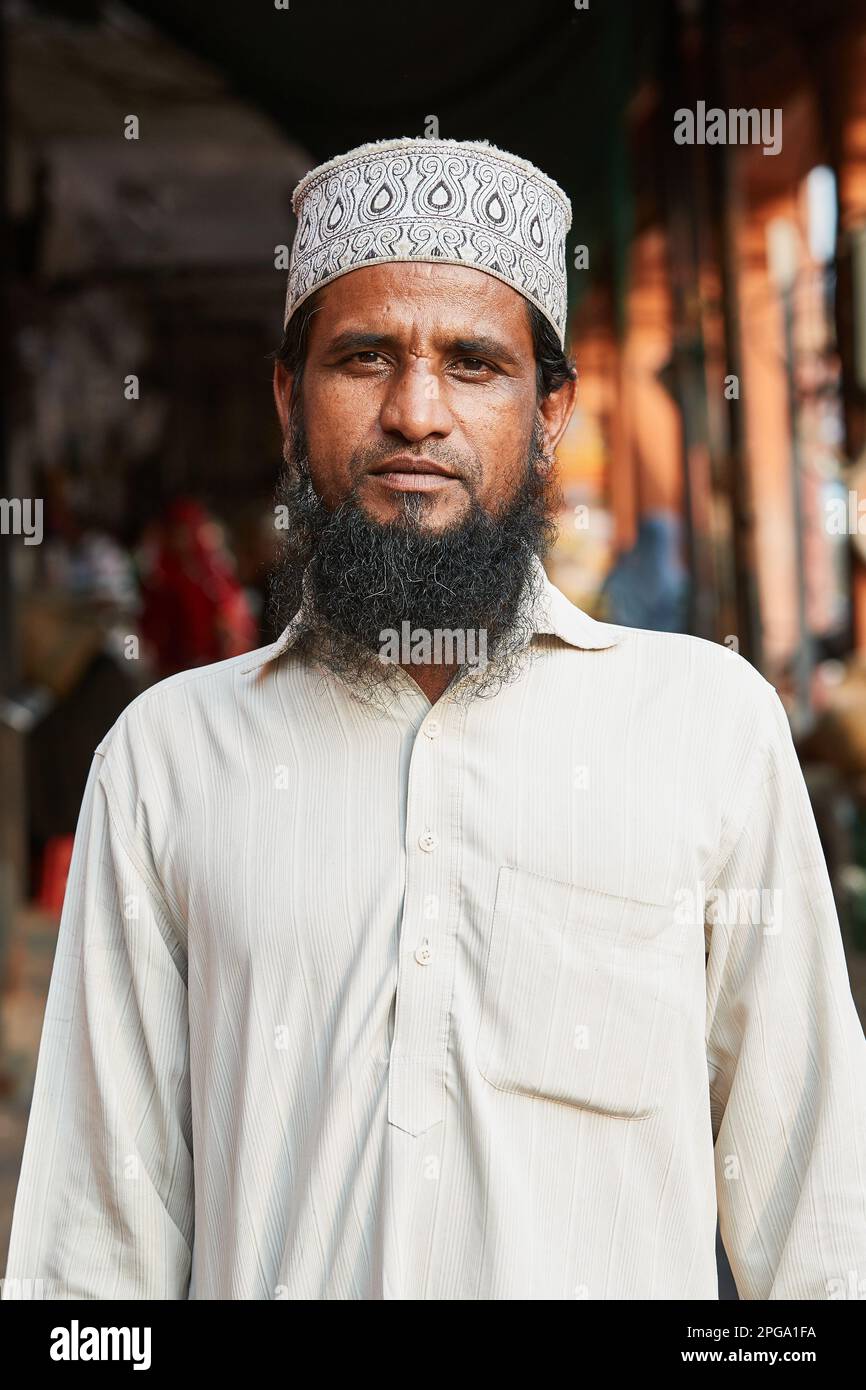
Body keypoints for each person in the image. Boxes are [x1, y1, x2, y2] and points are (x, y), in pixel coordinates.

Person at [4, 136, 865, 1301]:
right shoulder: (167, 759)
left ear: (551, 409)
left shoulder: (708, 731)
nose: (416, 411)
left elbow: (821, 1226)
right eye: (364, 356)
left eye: (472, 363)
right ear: (287, 399)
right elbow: (90, 1255)